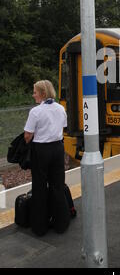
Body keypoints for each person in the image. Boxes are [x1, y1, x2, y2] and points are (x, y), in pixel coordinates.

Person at [24, 80, 70, 236]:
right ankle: (61, 224)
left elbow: (28, 136)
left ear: (42, 93)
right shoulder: (60, 108)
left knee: (40, 187)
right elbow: (62, 127)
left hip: (41, 150)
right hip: (57, 148)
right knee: (58, 185)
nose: (33, 95)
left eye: (35, 92)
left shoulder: (35, 112)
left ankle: (40, 227)